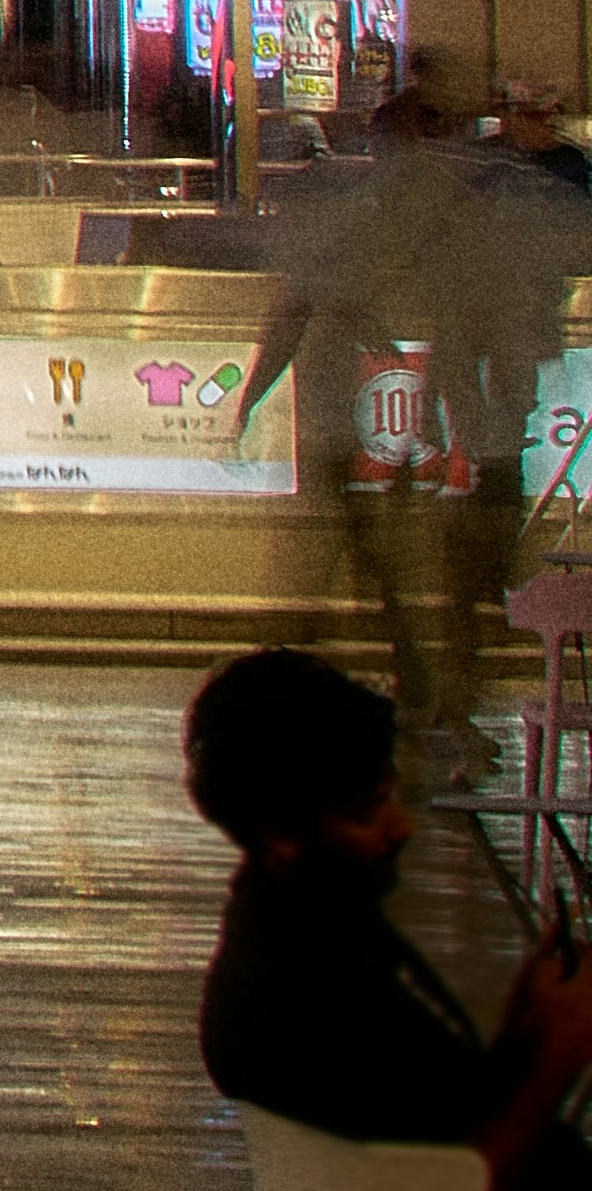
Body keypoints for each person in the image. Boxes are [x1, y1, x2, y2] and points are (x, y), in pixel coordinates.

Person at [188, 641, 592, 1191]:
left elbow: (432, 1117)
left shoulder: (298, 928)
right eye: (367, 810)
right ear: (281, 831)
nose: (399, 827)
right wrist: (558, 1057)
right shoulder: (298, 988)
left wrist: (527, 1029)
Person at [243, 74, 583, 736]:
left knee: (381, 557)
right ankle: (433, 695)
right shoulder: (469, 209)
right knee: (419, 568)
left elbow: (308, 297)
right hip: (437, 428)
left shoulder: (395, 209)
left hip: (379, 421)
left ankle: (409, 688)